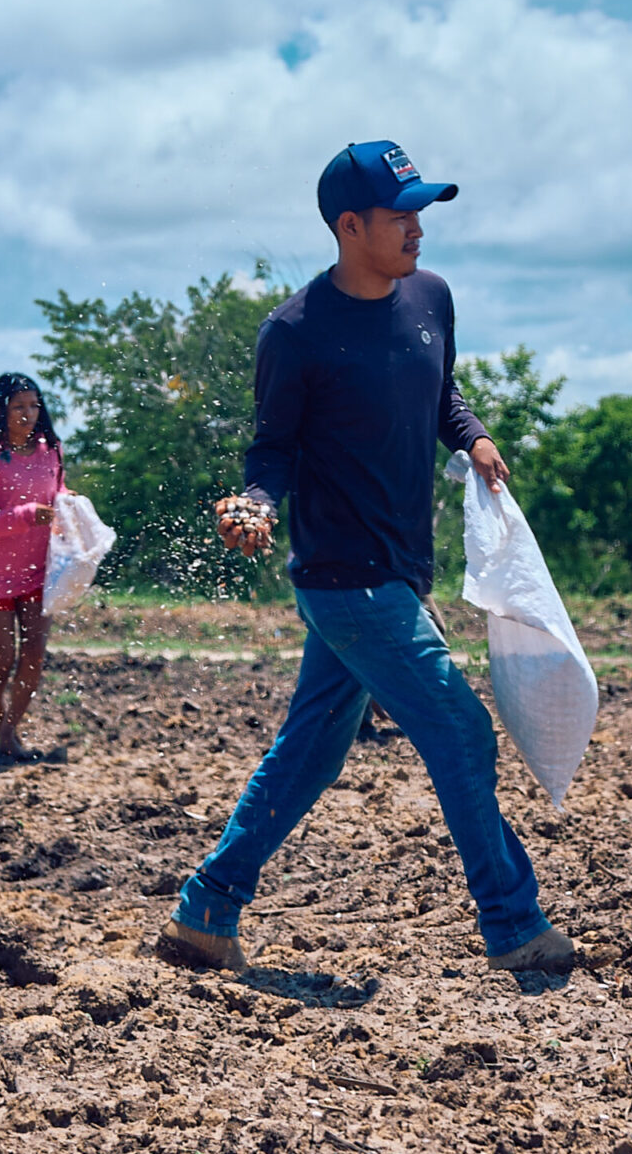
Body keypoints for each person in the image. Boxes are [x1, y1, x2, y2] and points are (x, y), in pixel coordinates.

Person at [159, 140, 573, 975]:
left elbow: (442, 385)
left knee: (313, 747)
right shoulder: (297, 333)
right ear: (350, 226)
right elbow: (271, 451)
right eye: (400, 215)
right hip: (345, 578)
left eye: (421, 212)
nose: (417, 228)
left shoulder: (432, 297)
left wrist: (477, 437)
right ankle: (514, 925)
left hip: (400, 568)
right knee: (460, 729)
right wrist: (256, 506)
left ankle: (208, 910)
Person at [0, 372, 66, 757]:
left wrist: (71, 506)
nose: (28, 413)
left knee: (35, 653)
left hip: (40, 570)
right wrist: (22, 515)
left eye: (34, 405)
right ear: (1, 409)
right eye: (19, 406)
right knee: (3, 654)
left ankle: (8, 731)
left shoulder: (50, 449)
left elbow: (59, 493)